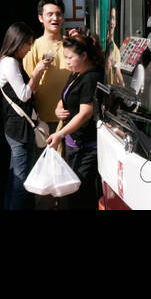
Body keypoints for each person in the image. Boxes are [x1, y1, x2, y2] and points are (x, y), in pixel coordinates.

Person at [0, 22, 52, 210]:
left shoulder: (10, 61)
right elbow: (24, 94)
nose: (29, 49)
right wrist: (36, 72)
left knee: (16, 177)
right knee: (21, 180)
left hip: (19, 127)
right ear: (17, 42)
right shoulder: (10, 62)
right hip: (18, 128)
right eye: (27, 44)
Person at [48, 32, 105, 210]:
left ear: (84, 55)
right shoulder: (76, 73)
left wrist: (60, 134)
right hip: (73, 143)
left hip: (86, 146)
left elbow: (85, 113)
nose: (67, 62)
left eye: (70, 57)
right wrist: (58, 108)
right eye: (65, 57)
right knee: (73, 192)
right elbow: (66, 97)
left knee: (82, 193)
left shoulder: (91, 77)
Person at [23, 0, 72, 131]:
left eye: (58, 14)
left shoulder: (71, 46)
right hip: (42, 120)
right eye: (49, 14)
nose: (55, 18)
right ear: (41, 18)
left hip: (70, 118)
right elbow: (26, 87)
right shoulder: (33, 47)